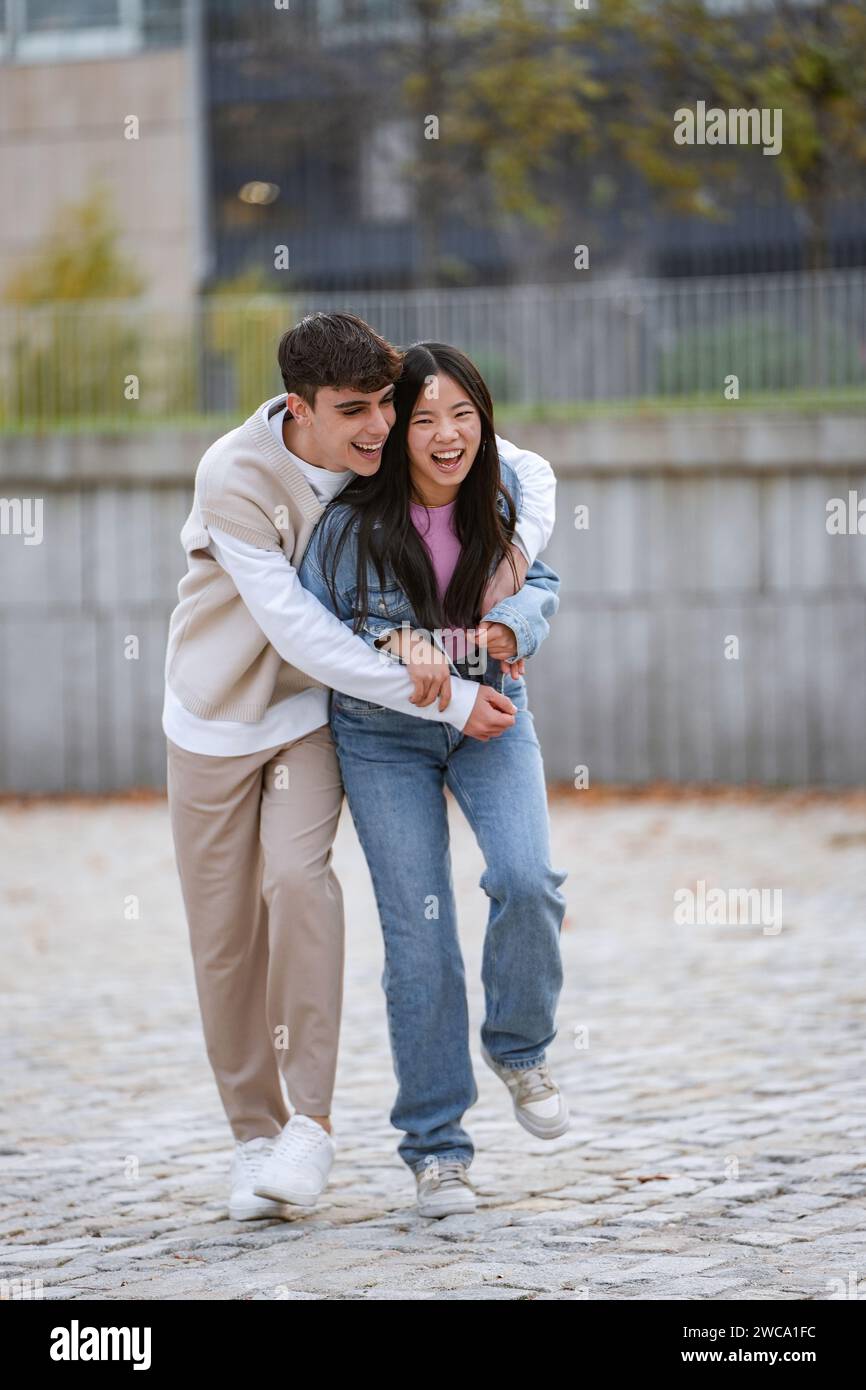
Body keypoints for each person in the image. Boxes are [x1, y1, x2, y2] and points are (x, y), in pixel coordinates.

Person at [161, 312, 558, 1219]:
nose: (381, 427)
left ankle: (312, 1124)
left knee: (301, 885)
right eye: (357, 411)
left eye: (388, 403)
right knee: (224, 941)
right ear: (300, 410)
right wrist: (454, 695)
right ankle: (254, 1137)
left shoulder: (376, 451)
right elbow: (300, 627)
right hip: (217, 718)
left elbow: (522, 467)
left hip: (313, 715)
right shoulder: (234, 476)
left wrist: (515, 562)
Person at [297, 342, 569, 1218]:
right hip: (384, 739)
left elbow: (545, 584)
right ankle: (438, 1151)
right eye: (422, 418)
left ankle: (520, 1048)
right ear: (396, 431)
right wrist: (390, 642)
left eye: (462, 413)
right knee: (421, 939)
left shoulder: (503, 500)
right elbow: (314, 618)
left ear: (483, 419)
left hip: (492, 719)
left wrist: (513, 627)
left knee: (527, 880)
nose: (445, 434)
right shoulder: (349, 526)